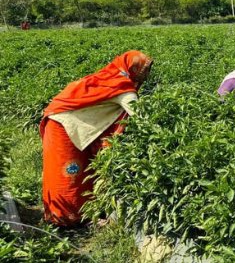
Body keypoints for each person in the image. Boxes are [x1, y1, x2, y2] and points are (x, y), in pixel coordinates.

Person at [39, 51, 153, 226]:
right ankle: (65, 218)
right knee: (68, 171)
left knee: (78, 170)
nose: (147, 74)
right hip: (63, 126)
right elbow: (142, 117)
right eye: (144, 69)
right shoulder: (124, 90)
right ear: (133, 69)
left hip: (59, 119)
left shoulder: (111, 76)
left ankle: (73, 214)